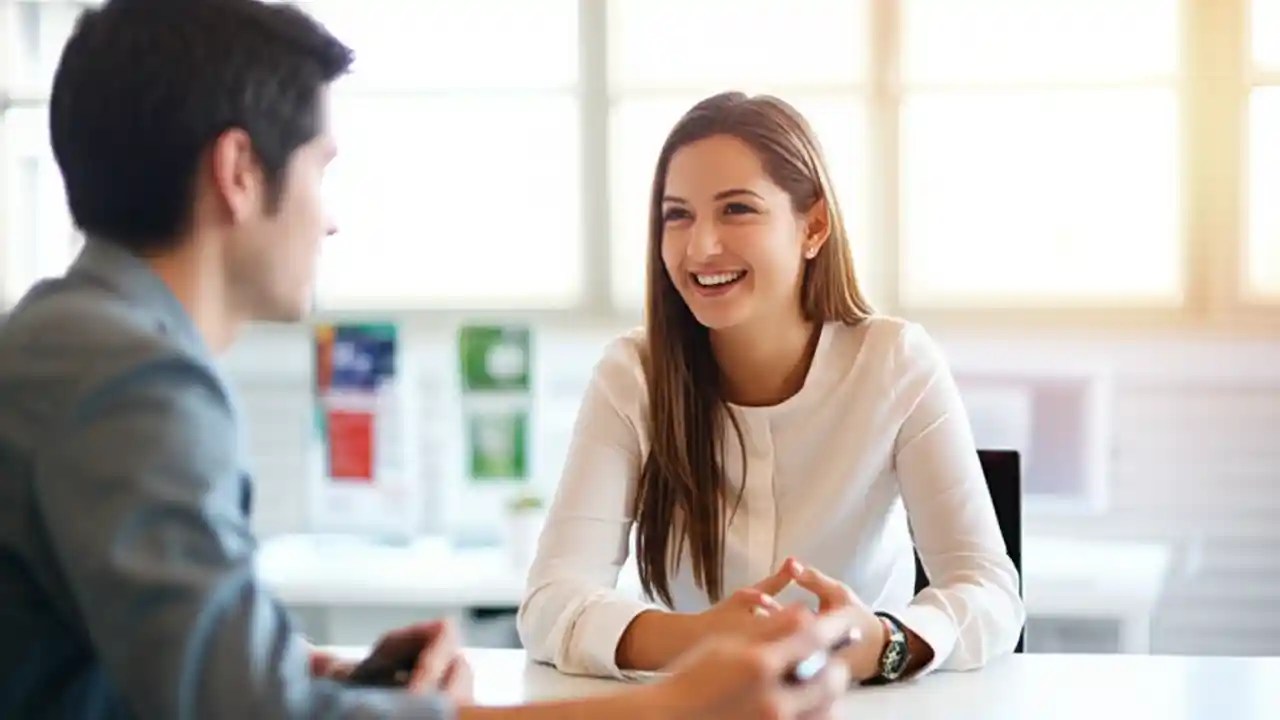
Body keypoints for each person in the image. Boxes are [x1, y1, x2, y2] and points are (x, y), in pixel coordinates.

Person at [0, 2, 854, 718]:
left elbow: (169, 664)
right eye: (320, 171)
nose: (330, 220)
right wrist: (672, 705)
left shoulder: (74, 343)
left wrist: (327, 677)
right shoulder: (132, 382)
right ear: (239, 171)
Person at [518, 92, 1027, 683]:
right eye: (677, 215)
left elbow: (989, 590)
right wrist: (702, 638)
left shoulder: (895, 362)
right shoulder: (633, 375)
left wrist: (885, 643)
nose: (700, 247)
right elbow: (550, 603)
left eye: (737, 210)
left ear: (812, 227)